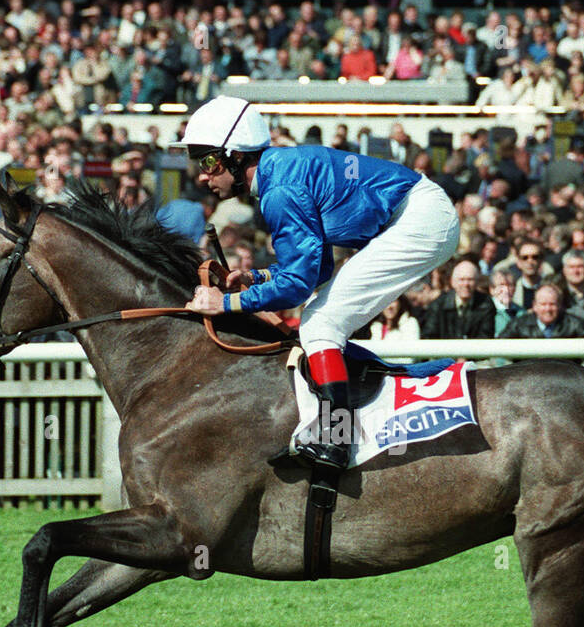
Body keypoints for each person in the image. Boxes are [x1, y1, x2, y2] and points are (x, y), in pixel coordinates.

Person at [179, 96, 460, 469]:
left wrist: (226, 304)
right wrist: (256, 276)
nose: (203, 174)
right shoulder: (281, 173)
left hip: (420, 219)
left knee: (320, 322)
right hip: (419, 213)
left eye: (210, 161)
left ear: (237, 155)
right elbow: (318, 268)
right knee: (321, 318)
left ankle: (337, 441)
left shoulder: (279, 190)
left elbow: (298, 284)